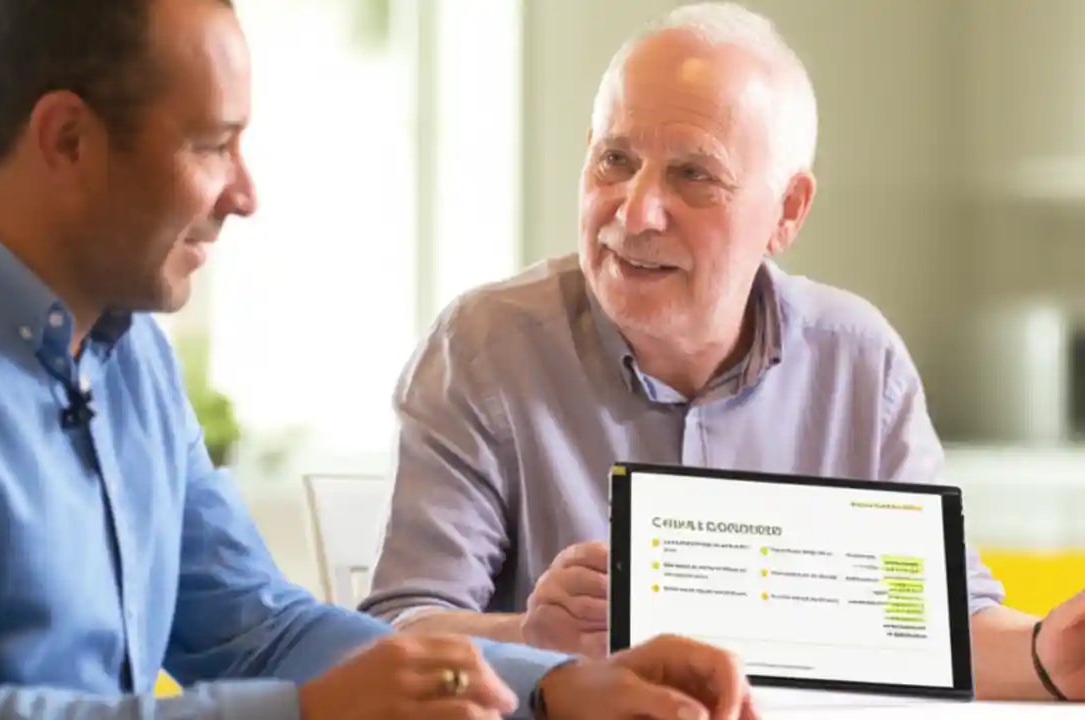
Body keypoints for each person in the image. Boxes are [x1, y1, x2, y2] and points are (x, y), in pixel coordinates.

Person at [0, 1, 765, 719]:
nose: (245, 194)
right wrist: (302, 715)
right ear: (67, 139)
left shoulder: (128, 350)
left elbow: (256, 626)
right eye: (212, 145)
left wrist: (562, 689)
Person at [359, 0, 1085, 703]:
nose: (635, 212)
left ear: (788, 211)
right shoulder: (484, 350)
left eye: (693, 174)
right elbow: (392, 637)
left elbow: (936, 627)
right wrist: (533, 640)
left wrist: (1046, 652)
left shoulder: (861, 364)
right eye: (616, 159)